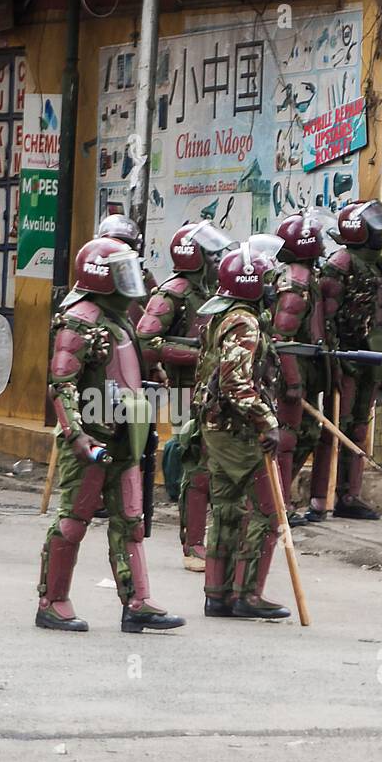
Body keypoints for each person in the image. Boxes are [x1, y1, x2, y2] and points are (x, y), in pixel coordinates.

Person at [36, 236, 185, 634]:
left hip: (127, 435)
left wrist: (153, 376)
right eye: (121, 272)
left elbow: (131, 363)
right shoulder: (78, 320)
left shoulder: (120, 318)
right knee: (74, 521)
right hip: (93, 437)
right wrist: (76, 435)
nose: (130, 279)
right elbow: (62, 385)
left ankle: (137, 602)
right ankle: (53, 601)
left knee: (131, 521)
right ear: (103, 277)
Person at [196, 237, 290, 620]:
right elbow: (237, 384)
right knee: (267, 512)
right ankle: (248, 593)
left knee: (226, 508)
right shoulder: (245, 323)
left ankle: (217, 594)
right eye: (267, 279)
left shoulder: (222, 315)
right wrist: (267, 423)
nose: (273, 287)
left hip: (216, 427)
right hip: (237, 431)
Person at [135, 220, 233, 570]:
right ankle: (193, 545)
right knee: (198, 464)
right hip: (184, 390)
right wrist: (199, 355)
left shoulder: (210, 292)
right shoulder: (171, 292)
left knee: (215, 464)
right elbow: (146, 342)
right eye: (209, 254)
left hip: (212, 389)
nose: (215, 259)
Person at [309, 200, 382, 521]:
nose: (380, 236)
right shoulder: (341, 263)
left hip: (372, 358)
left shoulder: (379, 267)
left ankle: (350, 495)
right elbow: (326, 319)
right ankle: (320, 499)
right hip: (345, 358)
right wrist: (331, 362)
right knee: (337, 427)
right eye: (375, 229)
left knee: (360, 427)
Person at [269, 210, 325, 528]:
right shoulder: (295, 284)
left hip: (303, 368)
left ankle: (279, 497)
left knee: (308, 434)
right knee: (286, 437)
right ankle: (280, 504)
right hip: (287, 370)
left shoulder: (303, 279)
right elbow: (282, 336)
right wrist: (292, 380)